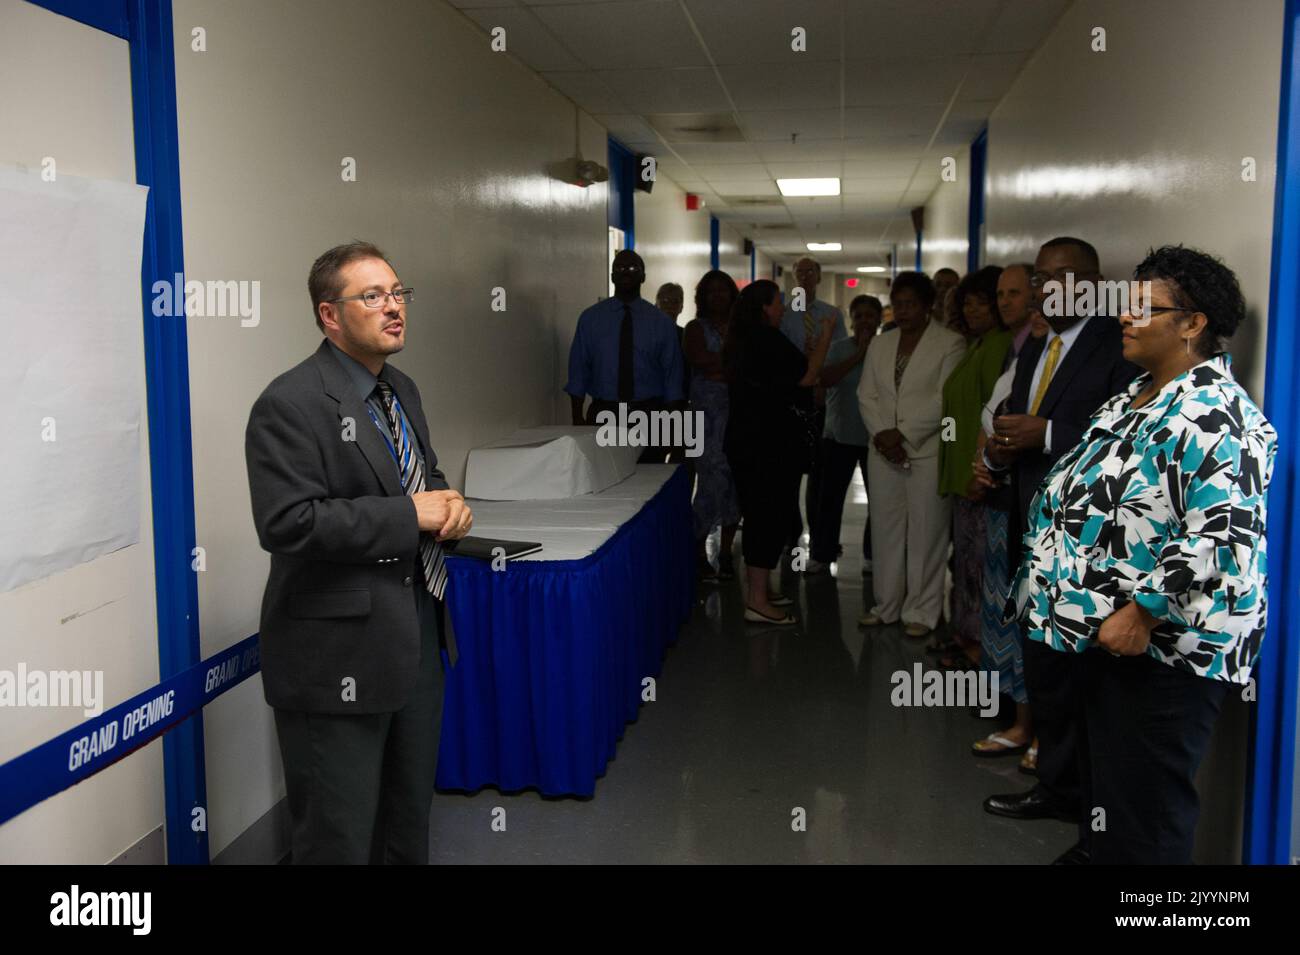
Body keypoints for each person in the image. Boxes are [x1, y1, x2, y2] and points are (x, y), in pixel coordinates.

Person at [1009, 245, 1275, 864]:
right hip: (1107, 637)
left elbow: (1218, 533)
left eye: (1143, 309)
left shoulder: (1213, 413)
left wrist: (1143, 613)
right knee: (1113, 791)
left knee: (1147, 813)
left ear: (1192, 323)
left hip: (1163, 647)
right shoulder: (1138, 395)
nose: (1125, 318)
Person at [244, 241, 474, 864]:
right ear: (329, 315)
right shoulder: (289, 404)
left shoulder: (401, 390)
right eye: (372, 296)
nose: (393, 307)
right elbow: (287, 522)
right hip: (337, 655)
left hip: (417, 633)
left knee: (407, 825)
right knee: (337, 840)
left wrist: (447, 504)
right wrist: (410, 514)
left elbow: (417, 479)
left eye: (398, 293)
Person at [980, 237, 1139, 862]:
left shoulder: (1116, 346)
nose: (1047, 289)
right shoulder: (1041, 344)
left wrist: (1046, 434)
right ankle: (1057, 785)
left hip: (1088, 544)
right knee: (1043, 665)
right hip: (1032, 524)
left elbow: (1124, 440)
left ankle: (1088, 809)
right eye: (1040, 277)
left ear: (1094, 280)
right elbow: (1014, 416)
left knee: (1082, 680)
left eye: (1060, 277)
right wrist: (1000, 446)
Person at [856, 271, 965, 637]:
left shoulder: (950, 343)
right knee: (885, 531)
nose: (902, 311)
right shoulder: (880, 344)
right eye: (897, 304)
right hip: (883, 452)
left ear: (928, 305)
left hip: (925, 451)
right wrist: (884, 437)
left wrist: (902, 434)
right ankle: (886, 606)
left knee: (926, 533)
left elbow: (944, 397)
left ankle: (921, 611)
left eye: (910, 304)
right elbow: (866, 394)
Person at [724, 279, 834, 624]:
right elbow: (806, 376)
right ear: (764, 308)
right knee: (767, 517)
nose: (783, 308)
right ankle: (757, 601)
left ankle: (760, 590)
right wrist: (827, 335)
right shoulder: (764, 338)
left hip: (747, 439)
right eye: (777, 302)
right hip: (767, 443)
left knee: (759, 514)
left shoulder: (743, 340)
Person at [969, 263, 1044, 762]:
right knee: (1004, 606)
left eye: (1020, 296)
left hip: (1030, 496)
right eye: (1003, 295)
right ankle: (1017, 716)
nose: (1008, 304)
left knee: (1029, 613)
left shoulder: (1059, 355)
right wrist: (984, 462)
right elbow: (994, 417)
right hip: (999, 490)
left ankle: (1035, 728)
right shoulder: (1019, 353)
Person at [936, 267, 1010, 669]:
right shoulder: (977, 345)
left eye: (983, 303)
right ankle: (964, 637)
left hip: (979, 474)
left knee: (978, 566)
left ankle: (978, 649)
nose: (974, 310)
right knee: (963, 562)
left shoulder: (1000, 347)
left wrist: (976, 468)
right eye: (969, 303)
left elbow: (993, 415)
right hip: (962, 470)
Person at [565, 250, 685, 462]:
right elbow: (578, 370)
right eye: (619, 268)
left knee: (648, 481)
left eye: (633, 268)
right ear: (611, 276)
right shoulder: (591, 319)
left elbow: (672, 378)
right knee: (604, 482)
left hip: (649, 415)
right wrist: (577, 418)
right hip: (604, 415)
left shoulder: (661, 323)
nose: (626, 272)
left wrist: (671, 427)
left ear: (643, 276)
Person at [806, 294, 881, 575]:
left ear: (877, 320)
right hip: (837, 437)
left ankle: (873, 555)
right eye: (858, 316)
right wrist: (859, 354)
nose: (864, 321)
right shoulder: (838, 348)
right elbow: (825, 379)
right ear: (851, 320)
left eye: (869, 316)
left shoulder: (886, 349)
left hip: (875, 439)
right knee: (829, 501)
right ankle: (822, 554)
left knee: (880, 502)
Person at [780, 257, 847, 551]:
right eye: (800, 272)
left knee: (820, 471)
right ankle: (791, 533)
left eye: (810, 272)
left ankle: (819, 535)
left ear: (819, 276)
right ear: (794, 277)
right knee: (790, 469)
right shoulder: (783, 315)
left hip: (822, 399)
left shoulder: (832, 315)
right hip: (791, 400)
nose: (805, 276)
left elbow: (840, 353)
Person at [683, 271, 741, 582]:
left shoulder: (741, 328)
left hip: (739, 417)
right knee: (710, 483)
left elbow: (743, 363)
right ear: (702, 297)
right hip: (705, 420)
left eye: (723, 290)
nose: (718, 296)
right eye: (711, 291)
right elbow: (699, 360)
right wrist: (729, 367)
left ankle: (727, 552)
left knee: (735, 483)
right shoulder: (695, 328)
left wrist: (721, 368)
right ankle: (697, 549)